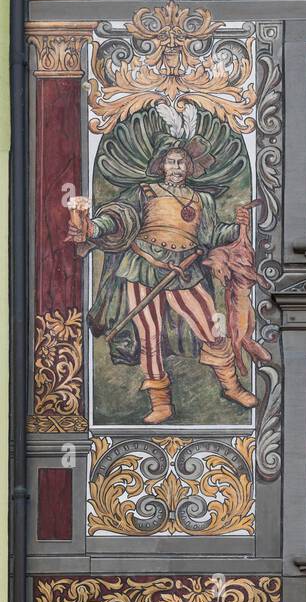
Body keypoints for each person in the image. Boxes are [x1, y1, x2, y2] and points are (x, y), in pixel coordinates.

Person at [76, 135, 258, 422]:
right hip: (142, 267)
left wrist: (238, 227)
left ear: (189, 167)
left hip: (185, 269)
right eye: (171, 161)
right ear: (161, 166)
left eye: (182, 161)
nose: (176, 166)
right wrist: (94, 228)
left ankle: (232, 386)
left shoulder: (202, 200)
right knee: (150, 335)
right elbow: (119, 218)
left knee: (211, 327)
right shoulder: (144, 192)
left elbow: (210, 237)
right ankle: (161, 403)